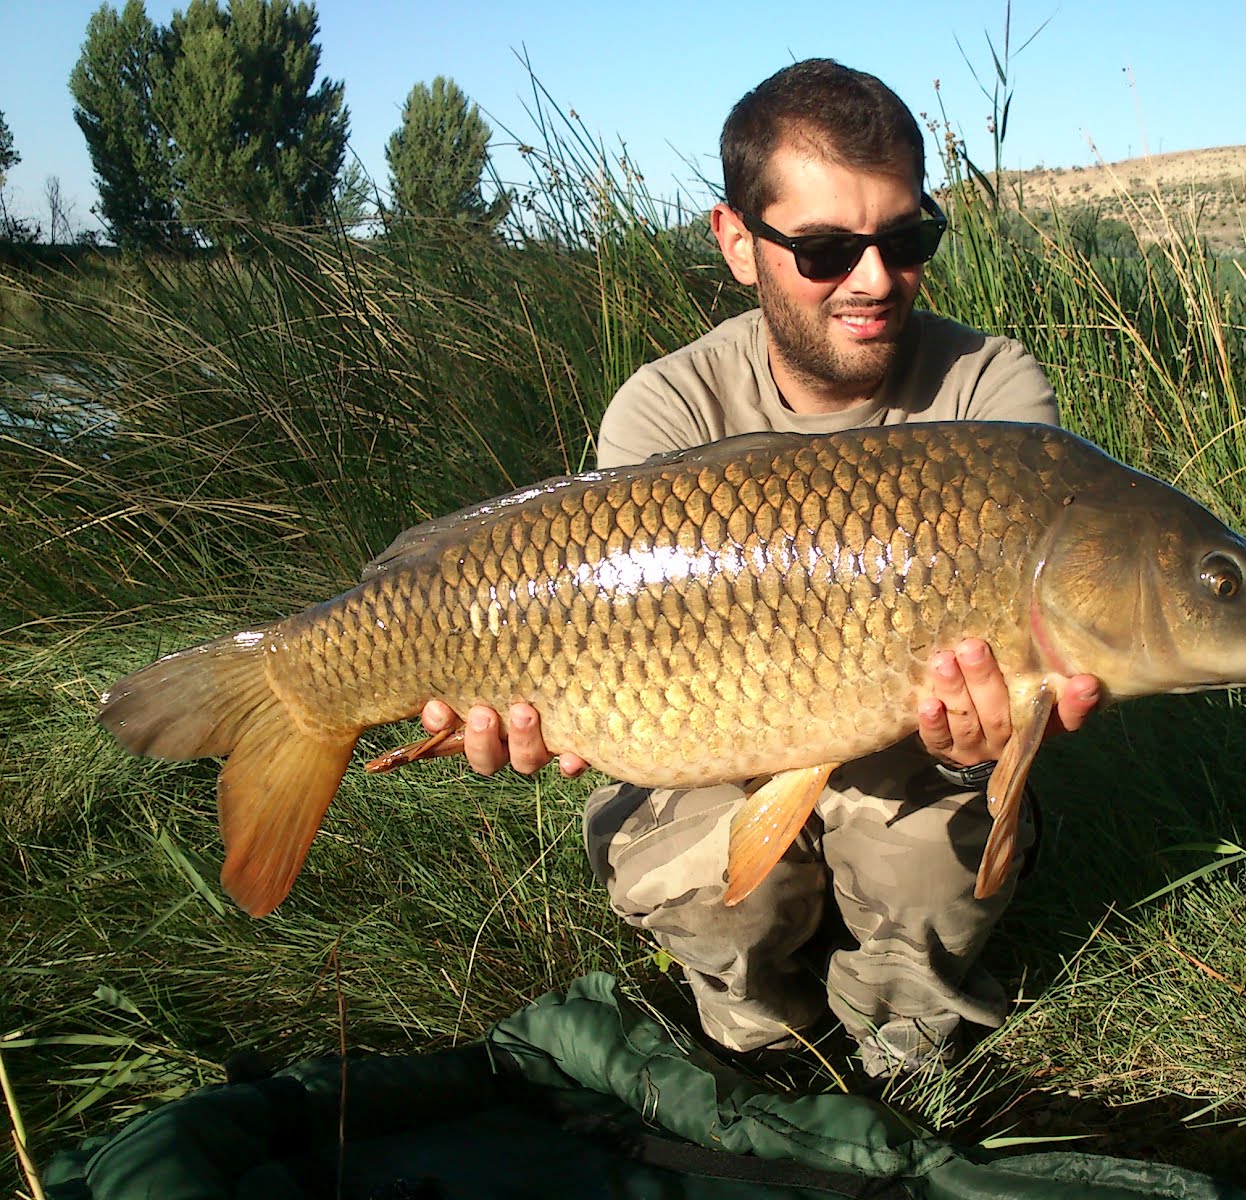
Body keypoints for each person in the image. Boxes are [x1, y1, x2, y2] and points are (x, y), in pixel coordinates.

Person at [422, 59, 1101, 1076]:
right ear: (737, 243)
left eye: (906, 239)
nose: (873, 279)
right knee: (707, 884)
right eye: (826, 249)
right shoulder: (664, 409)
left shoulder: (990, 391)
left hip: (902, 761)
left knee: (930, 866)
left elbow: (1021, 677)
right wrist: (533, 713)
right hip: (712, 752)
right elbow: (618, 678)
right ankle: (761, 1040)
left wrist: (976, 750)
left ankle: (899, 1048)